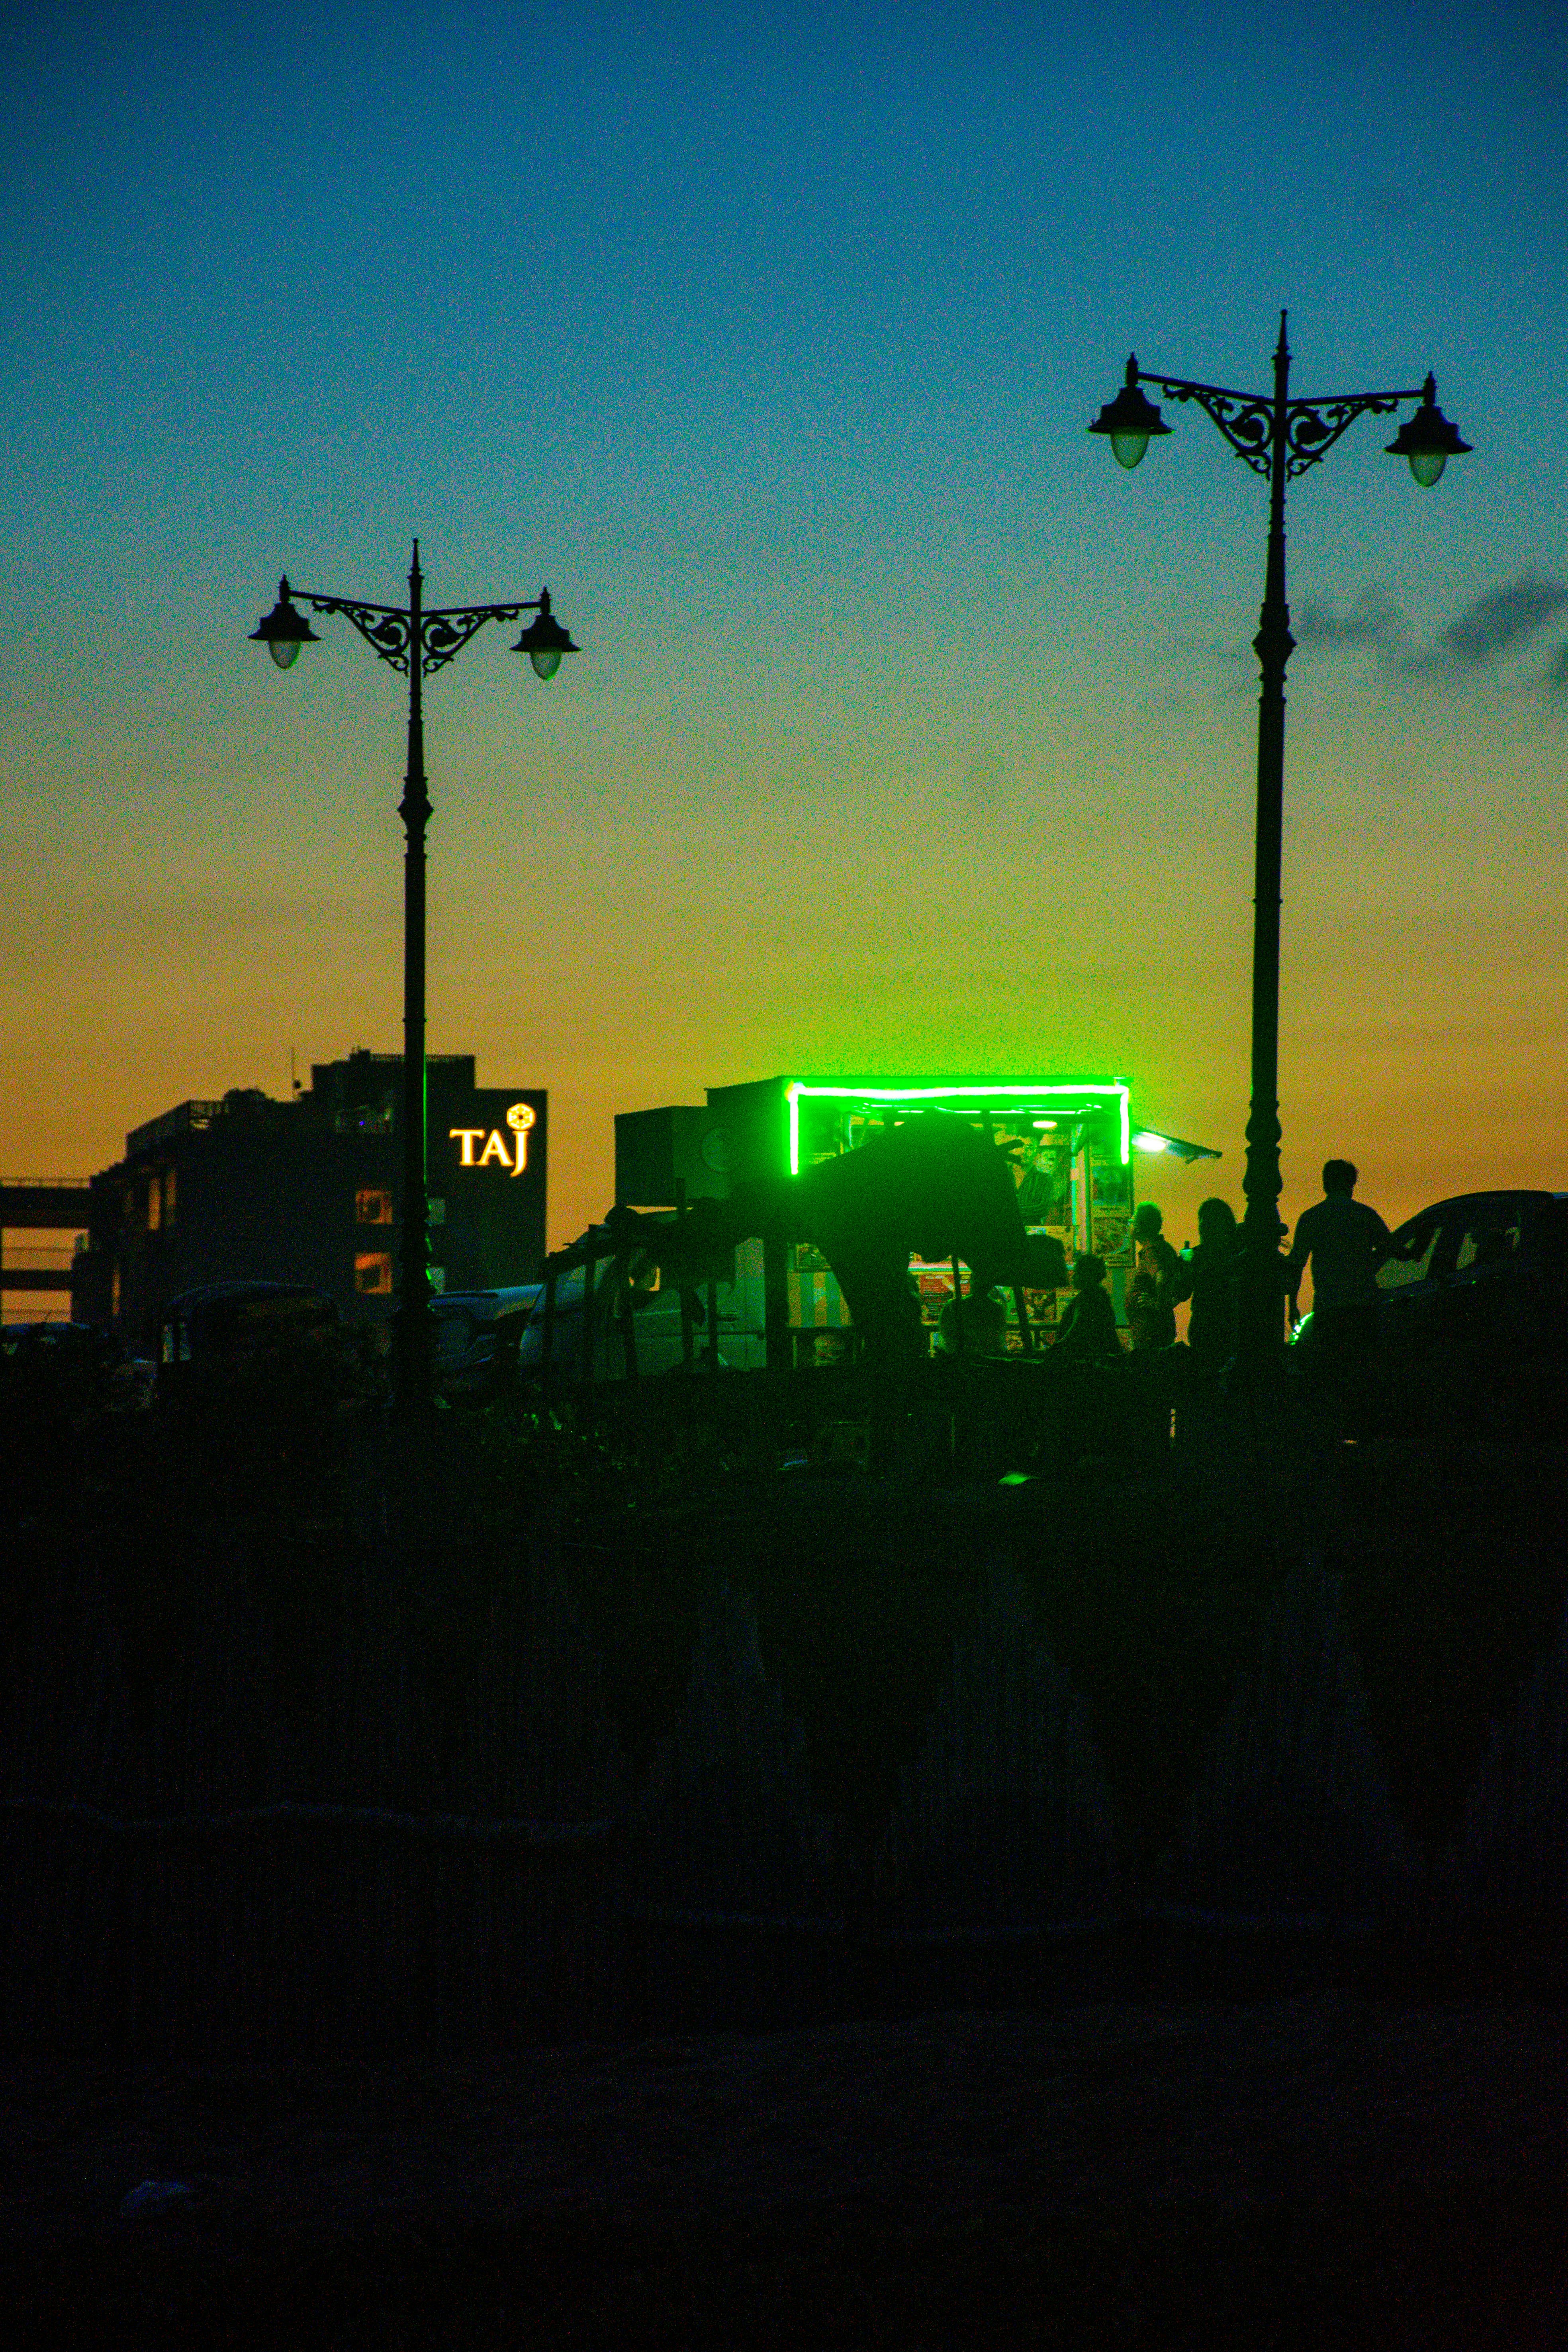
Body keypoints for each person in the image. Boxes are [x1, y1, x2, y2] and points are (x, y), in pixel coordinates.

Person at [1285, 1160, 1392, 1363]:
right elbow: (1394, 1249)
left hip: (1328, 1307)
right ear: (1351, 1184)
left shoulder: (1311, 1218)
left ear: (1326, 1184)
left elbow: (1297, 1264)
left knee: (1331, 1370)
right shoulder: (1365, 1215)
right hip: (1363, 1305)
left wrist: (1292, 1305)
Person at [1168, 1197, 1242, 1368]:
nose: (1201, 1228)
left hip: (1205, 1325)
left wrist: (1184, 1267)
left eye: (1204, 1223)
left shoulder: (1197, 1256)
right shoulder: (1238, 1252)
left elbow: (1181, 1292)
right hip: (1233, 1324)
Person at [1126, 1202, 1179, 1350]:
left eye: (1133, 1221)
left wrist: (1157, 1303)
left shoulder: (1152, 1252)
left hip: (1149, 1334)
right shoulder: (1163, 1248)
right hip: (1153, 1332)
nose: (1130, 1224)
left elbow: (1162, 1277)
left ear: (1141, 1226)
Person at [1050, 1252, 1121, 1361]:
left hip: (1086, 1358)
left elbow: (1079, 1326)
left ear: (1086, 1275)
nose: (1073, 1277)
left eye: (1077, 1273)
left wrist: (1060, 1345)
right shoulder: (1099, 1294)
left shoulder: (1088, 1297)